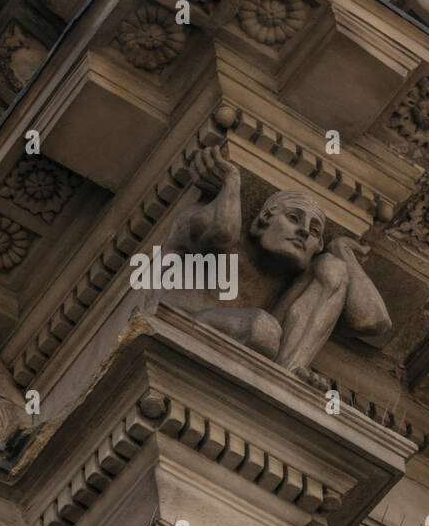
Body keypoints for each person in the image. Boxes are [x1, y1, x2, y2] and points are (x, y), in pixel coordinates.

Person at [164, 146, 390, 371]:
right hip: (181, 324)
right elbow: (221, 233)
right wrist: (231, 183)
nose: (303, 231)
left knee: (332, 267)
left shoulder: (299, 274)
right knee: (262, 328)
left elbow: (373, 321)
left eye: (314, 231)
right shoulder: (211, 225)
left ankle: (290, 374)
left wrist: (342, 250)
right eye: (293, 218)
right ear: (262, 218)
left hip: (265, 339)